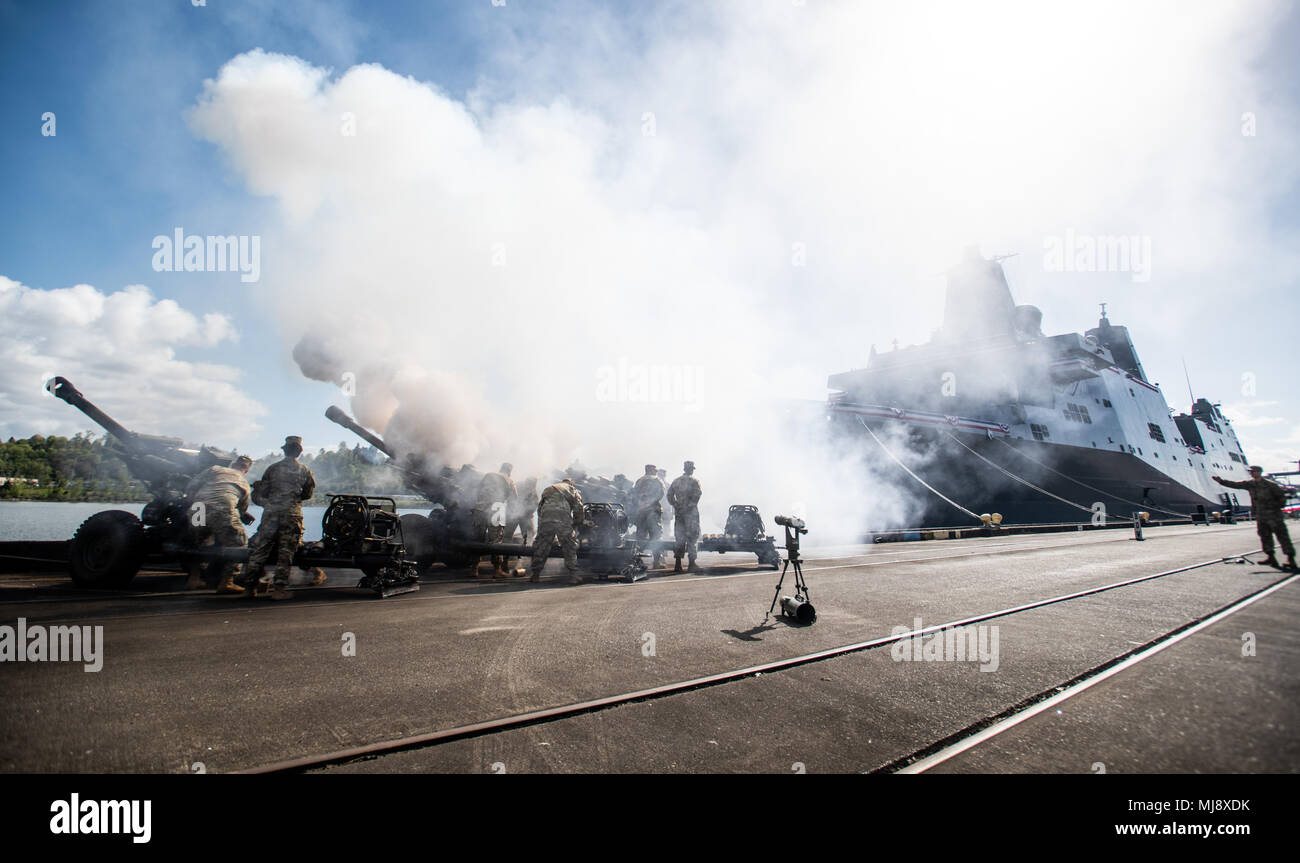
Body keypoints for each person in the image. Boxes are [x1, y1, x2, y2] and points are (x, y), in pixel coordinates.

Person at [243, 436, 317, 600]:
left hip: (271, 513)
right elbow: (308, 494)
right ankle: (279, 589)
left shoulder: (272, 469)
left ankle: (249, 588)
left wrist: (271, 503)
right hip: (291, 514)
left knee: (260, 550)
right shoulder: (304, 470)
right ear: (299, 451)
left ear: (284, 450)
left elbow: (262, 492)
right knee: (285, 553)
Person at [183, 455, 256, 593]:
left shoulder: (214, 469)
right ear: (246, 469)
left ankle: (194, 578)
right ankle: (227, 582)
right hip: (222, 510)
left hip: (198, 508)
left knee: (197, 543)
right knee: (238, 544)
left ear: (233, 464)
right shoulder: (243, 482)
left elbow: (192, 485)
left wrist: (193, 501)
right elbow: (242, 508)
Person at [1214, 467, 1296, 570]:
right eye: (1251, 472)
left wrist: (1272, 507)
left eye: (1254, 471)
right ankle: (1271, 557)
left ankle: (1290, 558)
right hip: (1261, 516)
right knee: (1265, 536)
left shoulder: (1271, 485)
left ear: (1259, 472)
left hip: (1274, 516)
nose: (1252, 473)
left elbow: (1282, 499)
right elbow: (1235, 485)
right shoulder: (1250, 484)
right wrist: (1221, 481)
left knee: (1282, 536)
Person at [530, 477, 584, 584]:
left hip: (546, 517)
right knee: (569, 544)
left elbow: (540, 508)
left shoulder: (549, 488)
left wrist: (543, 525)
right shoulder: (571, 489)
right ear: (571, 484)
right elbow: (579, 508)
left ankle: (535, 575)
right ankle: (574, 576)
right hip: (562, 516)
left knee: (542, 545)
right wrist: (577, 523)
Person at [474, 463, 518, 578]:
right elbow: (514, 499)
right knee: (496, 540)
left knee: (477, 539)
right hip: (497, 509)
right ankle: (497, 570)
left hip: (480, 509)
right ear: (509, 471)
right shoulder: (509, 480)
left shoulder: (488, 475)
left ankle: (474, 569)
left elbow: (477, 490)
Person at [667, 460, 702, 572]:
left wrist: (676, 504)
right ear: (691, 469)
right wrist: (689, 506)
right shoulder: (694, 481)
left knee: (679, 538)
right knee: (692, 538)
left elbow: (669, 495)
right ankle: (692, 563)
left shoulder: (676, 481)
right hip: (691, 514)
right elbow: (697, 495)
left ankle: (678, 564)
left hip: (679, 513)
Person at [631, 464, 667, 569]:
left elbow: (634, 496)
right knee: (656, 535)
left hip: (641, 511)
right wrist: (651, 502)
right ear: (651, 470)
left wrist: (641, 504)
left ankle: (638, 561)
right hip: (653, 511)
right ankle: (657, 561)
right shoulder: (657, 481)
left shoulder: (639, 481)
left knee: (640, 536)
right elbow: (662, 493)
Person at [506, 476, 539, 546]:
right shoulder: (517, 486)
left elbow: (534, 505)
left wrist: (526, 513)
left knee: (529, 534)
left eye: (532, 484)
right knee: (507, 535)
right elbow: (509, 499)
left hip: (525, 516)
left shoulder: (534, 493)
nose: (529, 486)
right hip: (513, 514)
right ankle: (503, 554)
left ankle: (526, 553)